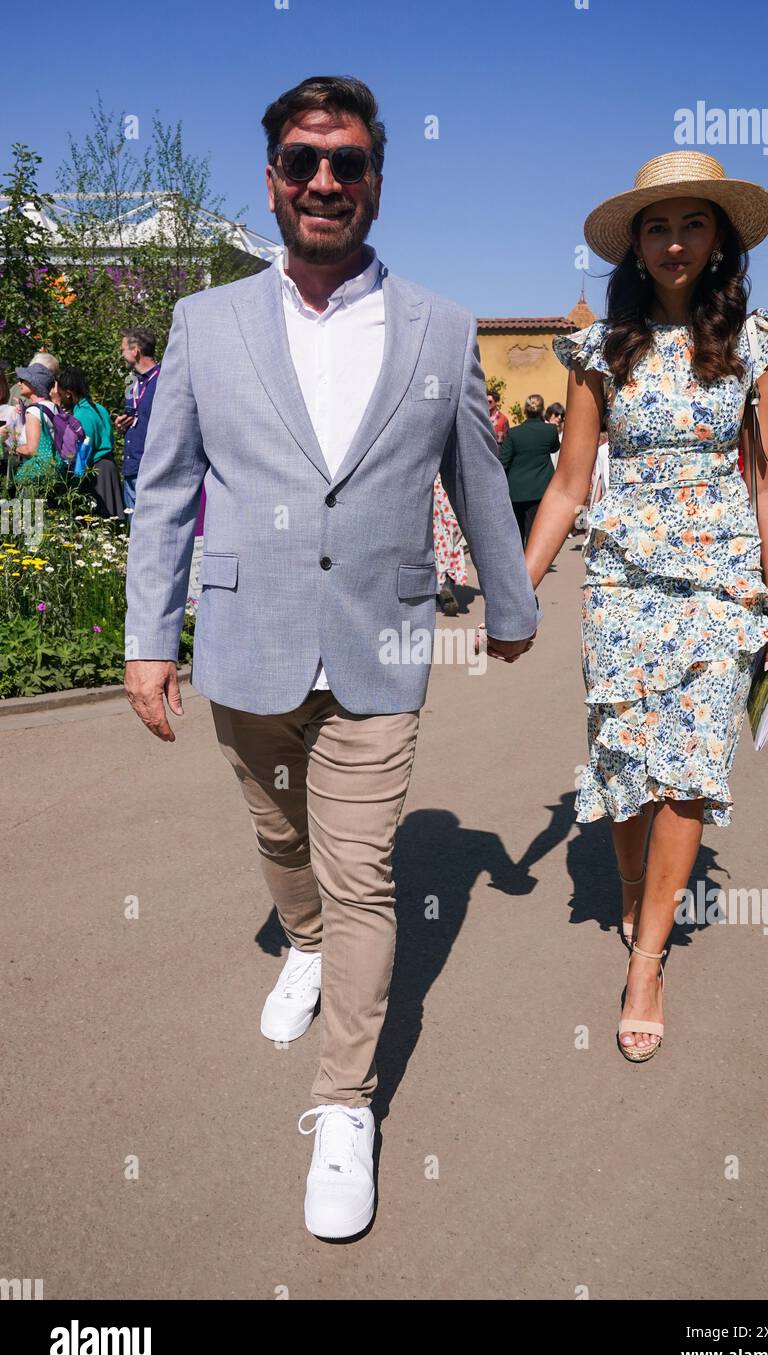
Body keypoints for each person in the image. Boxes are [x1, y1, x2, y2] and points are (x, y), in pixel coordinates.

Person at [123, 74, 538, 1241]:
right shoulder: (207, 322)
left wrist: (506, 603)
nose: (323, 180)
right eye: (303, 161)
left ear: (374, 183)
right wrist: (149, 640)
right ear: (272, 179)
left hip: (382, 638)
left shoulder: (439, 327)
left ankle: (343, 1104)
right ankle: (297, 943)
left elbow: (474, 480)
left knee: (365, 878)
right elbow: (162, 497)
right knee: (275, 834)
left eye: (346, 163)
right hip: (247, 638)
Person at [525, 150, 768, 1063]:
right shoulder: (599, 348)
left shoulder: (753, 341)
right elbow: (568, 486)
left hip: (721, 588)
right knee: (622, 761)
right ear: (634, 246)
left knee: (688, 767)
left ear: (718, 238)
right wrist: (516, 587)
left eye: (692, 223)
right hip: (622, 587)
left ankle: (647, 960)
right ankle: (636, 876)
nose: (675, 241)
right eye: (657, 226)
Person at [56, 367, 123, 520]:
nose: (60, 399)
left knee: (98, 523)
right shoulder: (99, 409)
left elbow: (83, 454)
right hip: (110, 468)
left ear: (68, 393)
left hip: (96, 473)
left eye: (60, 394)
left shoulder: (81, 416)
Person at [499, 393, 561, 545]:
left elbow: (503, 462)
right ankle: (533, 565)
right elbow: (555, 448)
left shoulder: (513, 433)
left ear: (524, 411)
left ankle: (519, 565)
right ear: (542, 411)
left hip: (516, 491)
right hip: (541, 489)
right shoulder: (550, 431)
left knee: (516, 533)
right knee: (535, 532)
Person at [116, 328, 161, 524]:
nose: (121, 356)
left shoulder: (164, 380)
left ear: (136, 351)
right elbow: (134, 417)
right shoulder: (132, 382)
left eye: (123, 350)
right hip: (132, 463)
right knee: (133, 528)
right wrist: (122, 425)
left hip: (151, 465)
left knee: (150, 524)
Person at [11, 364, 64, 488]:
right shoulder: (53, 407)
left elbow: (32, 449)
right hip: (54, 474)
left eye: (22, 380)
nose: (19, 384)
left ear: (33, 384)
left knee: (29, 508)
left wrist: (11, 447)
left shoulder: (34, 412)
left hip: (37, 479)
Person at [432, 472, 467, 614]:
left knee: (435, 543)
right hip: (451, 491)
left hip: (435, 490)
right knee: (453, 545)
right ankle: (448, 586)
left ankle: (436, 593)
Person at [545, 401, 565, 466]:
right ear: (549, 414)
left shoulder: (561, 432)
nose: (559, 417)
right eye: (556, 414)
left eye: (562, 415)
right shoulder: (543, 429)